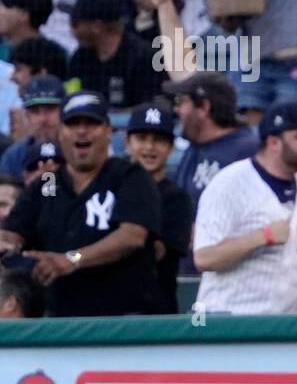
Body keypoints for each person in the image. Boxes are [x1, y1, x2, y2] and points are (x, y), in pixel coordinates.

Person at [0, 90, 165, 317]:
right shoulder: (49, 183)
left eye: (91, 123)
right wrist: (6, 244)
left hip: (124, 321)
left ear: (108, 131)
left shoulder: (129, 176)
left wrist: (72, 259)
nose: (81, 130)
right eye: (73, 123)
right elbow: (15, 229)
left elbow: (132, 236)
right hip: (60, 321)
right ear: (61, 132)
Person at [193, 100, 297, 314]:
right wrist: (262, 237)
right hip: (225, 321)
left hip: (284, 328)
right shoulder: (228, 184)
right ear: (273, 143)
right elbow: (204, 258)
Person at [124, 101, 193, 315]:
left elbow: (153, 253)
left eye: (158, 140)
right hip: (108, 310)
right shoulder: (111, 190)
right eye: (142, 138)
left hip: (156, 314)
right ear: (127, 143)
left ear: (170, 148)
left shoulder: (177, 199)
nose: (149, 147)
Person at [165, 72, 259, 206]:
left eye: (182, 101)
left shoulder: (248, 152)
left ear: (204, 107)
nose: (176, 109)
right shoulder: (195, 146)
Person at [66, 0, 160, 110]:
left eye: (75, 23)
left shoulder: (142, 57)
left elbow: (152, 107)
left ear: (96, 26)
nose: (71, 29)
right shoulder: (79, 59)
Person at [0, 74, 63, 178]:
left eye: (50, 109)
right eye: (35, 111)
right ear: (27, 115)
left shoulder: (77, 148)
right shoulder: (14, 156)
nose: (43, 119)